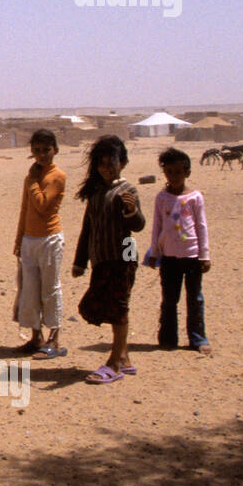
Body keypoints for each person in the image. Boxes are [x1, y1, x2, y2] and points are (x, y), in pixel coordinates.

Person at [72, 135, 145, 384]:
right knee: (98, 306)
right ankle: (123, 356)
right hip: (101, 259)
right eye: (101, 163)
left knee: (119, 307)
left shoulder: (127, 190)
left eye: (111, 162)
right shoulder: (95, 193)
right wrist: (80, 261)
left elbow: (138, 225)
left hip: (123, 256)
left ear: (122, 162)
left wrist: (131, 210)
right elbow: (87, 229)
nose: (106, 167)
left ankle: (114, 363)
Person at [144, 147, 212, 354]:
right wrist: (154, 252)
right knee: (169, 300)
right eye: (169, 172)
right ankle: (167, 338)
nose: (174, 176)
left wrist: (204, 255)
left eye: (179, 172)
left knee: (195, 299)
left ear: (187, 172)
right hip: (169, 258)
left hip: (192, 256)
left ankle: (198, 339)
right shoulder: (161, 198)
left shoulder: (195, 197)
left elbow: (201, 226)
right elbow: (157, 226)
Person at [13, 129, 67, 359]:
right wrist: (19, 239)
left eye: (46, 150)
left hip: (49, 239)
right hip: (30, 239)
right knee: (30, 290)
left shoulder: (57, 176)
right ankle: (36, 337)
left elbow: (42, 204)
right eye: (37, 150)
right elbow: (25, 209)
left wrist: (35, 181)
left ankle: (54, 339)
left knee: (50, 289)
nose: (42, 155)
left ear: (55, 150)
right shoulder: (30, 177)